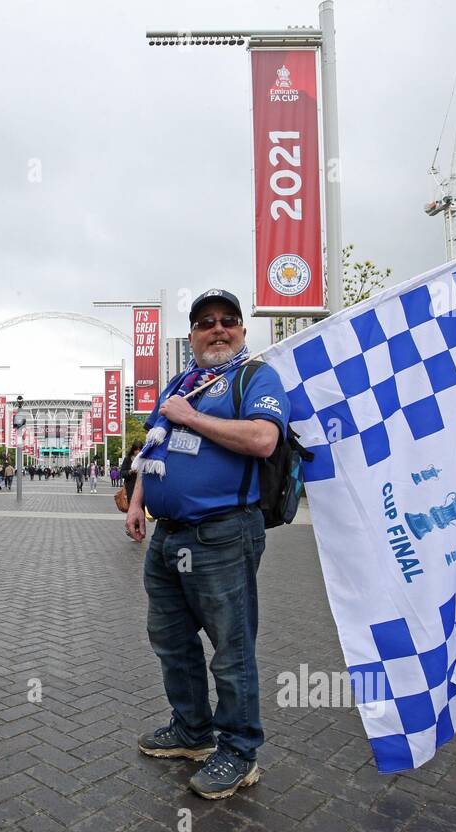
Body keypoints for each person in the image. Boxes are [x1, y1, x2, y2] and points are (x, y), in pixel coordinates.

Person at [126, 288, 289, 800]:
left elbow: (264, 440)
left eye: (228, 321)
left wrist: (190, 417)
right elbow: (152, 445)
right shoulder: (181, 383)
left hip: (223, 534)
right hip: (167, 534)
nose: (217, 330)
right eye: (205, 323)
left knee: (231, 647)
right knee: (171, 639)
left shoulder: (254, 377)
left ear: (242, 330)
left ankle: (239, 751)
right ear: (192, 335)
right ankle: (192, 732)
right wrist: (137, 501)